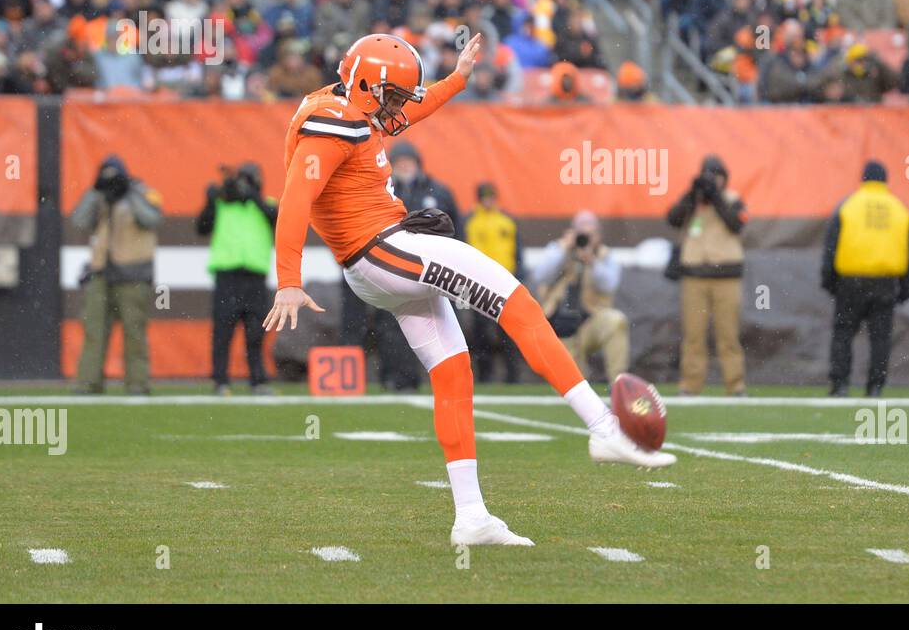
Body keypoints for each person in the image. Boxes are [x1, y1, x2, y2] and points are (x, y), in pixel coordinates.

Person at [264, 33, 674, 548]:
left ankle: (471, 517)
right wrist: (289, 282)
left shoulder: (349, 107)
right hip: (382, 249)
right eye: (391, 95)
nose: (397, 109)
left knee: (454, 371)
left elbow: (408, 113)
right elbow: (295, 198)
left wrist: (456, 80)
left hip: (373, 263)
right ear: (368, 84)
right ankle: (603, 426)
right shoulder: (334, 124)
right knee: (515, 299)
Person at [340, 141, 463, 392]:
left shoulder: (439, 191)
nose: (405, 165)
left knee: (443, 323)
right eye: (400, 161)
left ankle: (448, 379)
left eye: (409, 160)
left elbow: (456, 229)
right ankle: (398, 378)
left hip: (435, 268)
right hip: (394, 267)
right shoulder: (382, 191)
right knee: (393, 325)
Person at [820, 161, 909, 397]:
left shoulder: (848, 205)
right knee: (880, 338)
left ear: (863, 179)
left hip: (851, 280)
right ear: (885, 180)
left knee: (843, 332)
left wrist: (829, 280)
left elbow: (831, 246)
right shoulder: (899, 209)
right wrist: (905, 287)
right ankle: (875, 387)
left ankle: (840, 384)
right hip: (885, 281)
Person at [72, 156, 163, 395]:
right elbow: (79, 220)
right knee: (94, 331)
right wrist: (95, 189)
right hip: (101, 273)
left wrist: (128, 191)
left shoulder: (142, 192)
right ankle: (88, 383)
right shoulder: (100, 196)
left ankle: (137, 384)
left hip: (133, 273)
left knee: (134, 332)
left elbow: (152, 218)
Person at [666, 156, 747, 396]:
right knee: (693, 335)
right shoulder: (693, 200)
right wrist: (693, 195)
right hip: (694, 276)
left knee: (728, 335)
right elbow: (672, 218)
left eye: (716, 176)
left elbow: (736, 224)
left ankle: (735, 385)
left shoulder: (732, 199)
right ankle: (690, 385)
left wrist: (717, 197)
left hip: (727, 275)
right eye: (708, 176)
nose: (712, 181)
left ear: (724, 178)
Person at [196, 163, 278, 396]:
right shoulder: (222, 204)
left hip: (255, 278)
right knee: (223, 332)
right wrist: (210, 200)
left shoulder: (266, 204)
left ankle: (258, 380)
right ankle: (220, 380)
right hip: (227, 277)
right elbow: (202, 227)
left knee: (256, 332)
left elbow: (277, 218)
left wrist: (253, 197)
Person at [533, 211, 628, 384]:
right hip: (561, 325)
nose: (585, 239)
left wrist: (592, 261)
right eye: (581, 234)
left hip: (591, 321)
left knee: (616, 321)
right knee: (571, 387)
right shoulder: (559, 249)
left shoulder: (604, 255)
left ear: (598, 236)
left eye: (590, 234)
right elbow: (541, 276)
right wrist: (564, 249)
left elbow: (610, 284)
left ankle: (619, 384)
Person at [463, 182, 523, 383]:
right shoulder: (469, 222)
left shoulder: (507, 222)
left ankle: (513, 376)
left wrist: (518, 279)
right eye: (484, 196)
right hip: (478, 284)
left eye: (491, 196)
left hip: (505, 283)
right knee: (481, 333)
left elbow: (517, 254)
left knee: (509, 332)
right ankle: (484, 375)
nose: (488, 200)